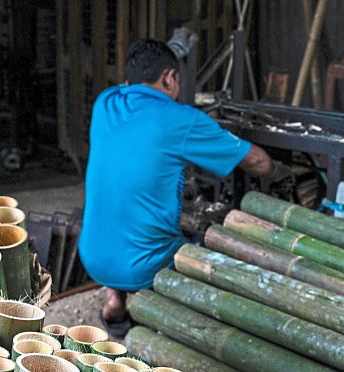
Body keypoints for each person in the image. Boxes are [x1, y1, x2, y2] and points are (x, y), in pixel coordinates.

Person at [77, 38, 274, 336]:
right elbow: (259, 163)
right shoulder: (184, 120)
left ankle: (114, 300)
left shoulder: (106, 102)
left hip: (92, 256)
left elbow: (132, 84)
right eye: (176, 80)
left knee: (124, 213)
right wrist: (277, 168)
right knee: (199, 250)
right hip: (143, 267)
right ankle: (165, 324)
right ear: (169, 78)